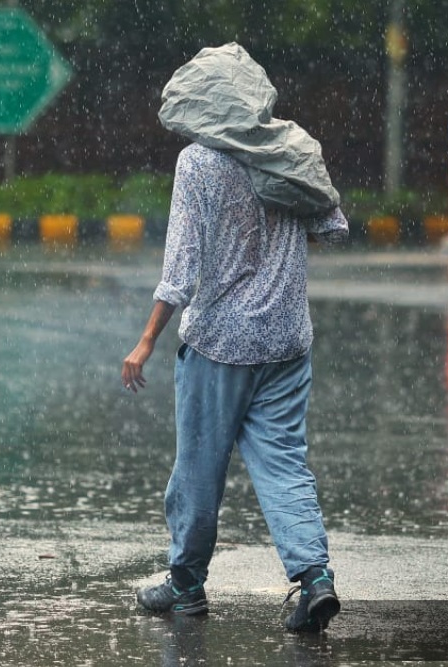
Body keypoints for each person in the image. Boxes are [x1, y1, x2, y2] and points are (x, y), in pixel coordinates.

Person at [120, 43, 348, 633]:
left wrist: (146, 339)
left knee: (198, 467)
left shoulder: (199, 163)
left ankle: (187, 586)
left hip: (220, 344)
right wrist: (279, 233)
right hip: (287, 341)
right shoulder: (290, 150)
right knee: (284, 466)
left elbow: (181, 269)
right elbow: (333, 225)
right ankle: (315, 578)